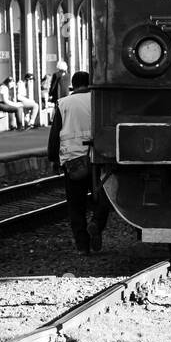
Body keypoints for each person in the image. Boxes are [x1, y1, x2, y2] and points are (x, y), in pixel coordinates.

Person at [48, 71, 111, 254]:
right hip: (100, 158)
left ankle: (82, 246)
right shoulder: (99, 100)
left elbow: (55, 134)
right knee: (104, 197)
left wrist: (53, 158)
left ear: (73, 86)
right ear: (90, 83)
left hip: (73, 160)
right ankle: (97, 224)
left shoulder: (64, 103)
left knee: (76, 205)